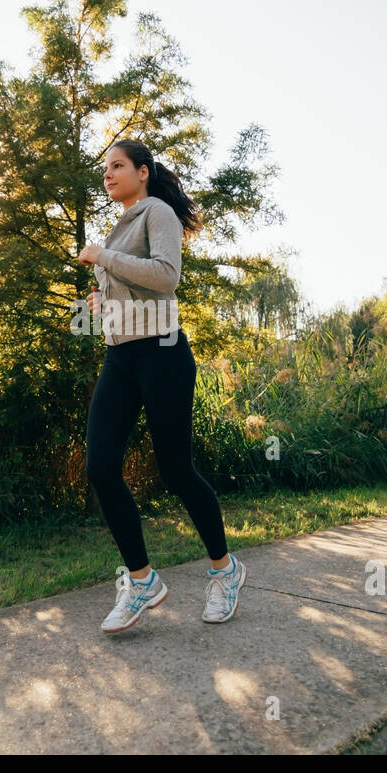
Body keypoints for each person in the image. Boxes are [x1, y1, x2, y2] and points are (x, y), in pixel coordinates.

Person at [76, 140, 246, 633]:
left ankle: (225, 570)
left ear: (143, 172)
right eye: (104, 168)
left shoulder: (158, 213)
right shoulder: (121, 222)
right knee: (101, 467)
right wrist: (101, 302)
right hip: (121, 356)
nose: (107, 174)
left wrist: (104, 257)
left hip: (163, 354)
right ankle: (143, 581)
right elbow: (135, 290)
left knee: (175, 470)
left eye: (117, 166)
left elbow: (167, 277)